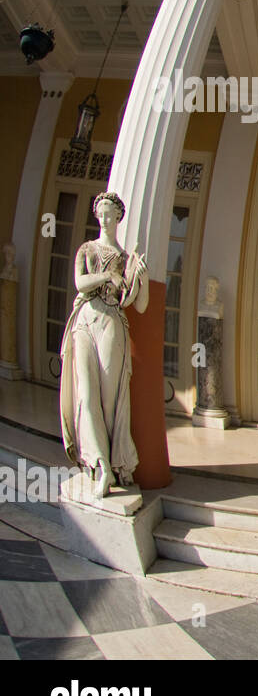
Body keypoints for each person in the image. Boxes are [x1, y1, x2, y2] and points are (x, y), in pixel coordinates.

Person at [59, 192, 148, 498]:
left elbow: (138, 305)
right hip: (86, 319)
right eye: (101, 213)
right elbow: (80, 283)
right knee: (86, 392)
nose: (105, 218)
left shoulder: (125, 258)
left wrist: (141, 279)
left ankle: (114, 461)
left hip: (111, 321)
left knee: (110, 402)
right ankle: (100, 465)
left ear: (119, 217)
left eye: (110, 213)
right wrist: (107, 275)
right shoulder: (87, 249)